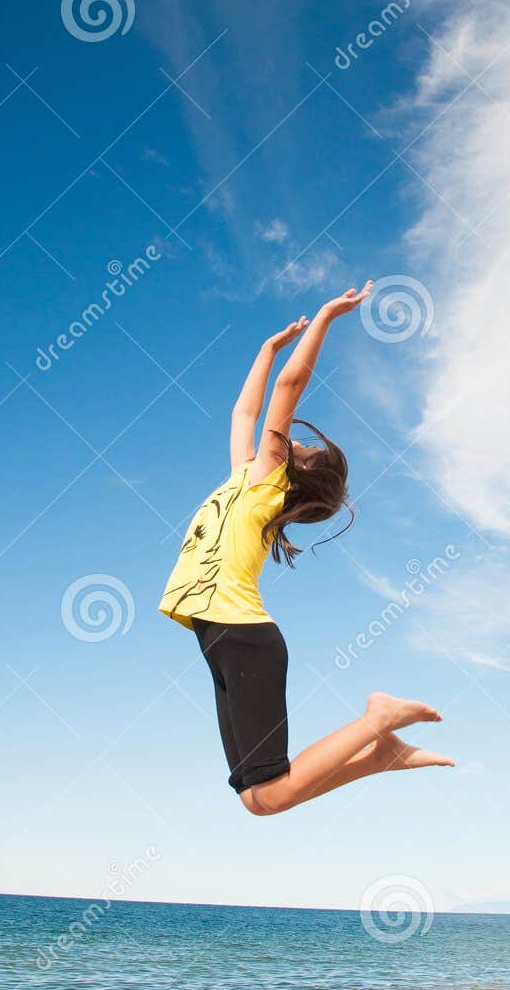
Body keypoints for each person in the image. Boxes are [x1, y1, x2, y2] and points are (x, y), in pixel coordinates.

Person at [159, 283, 454, 815]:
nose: (295, 440)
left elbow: (287, 390)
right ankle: (375, 755)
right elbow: (241, 416)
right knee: (257, 799)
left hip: (242, 636)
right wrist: (265, 351)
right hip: (222, 637)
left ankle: (377, 719)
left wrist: (324, 318)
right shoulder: (243, 482)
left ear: (295, 473)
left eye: (305, 449)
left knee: (268, 795)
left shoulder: (268, 483)